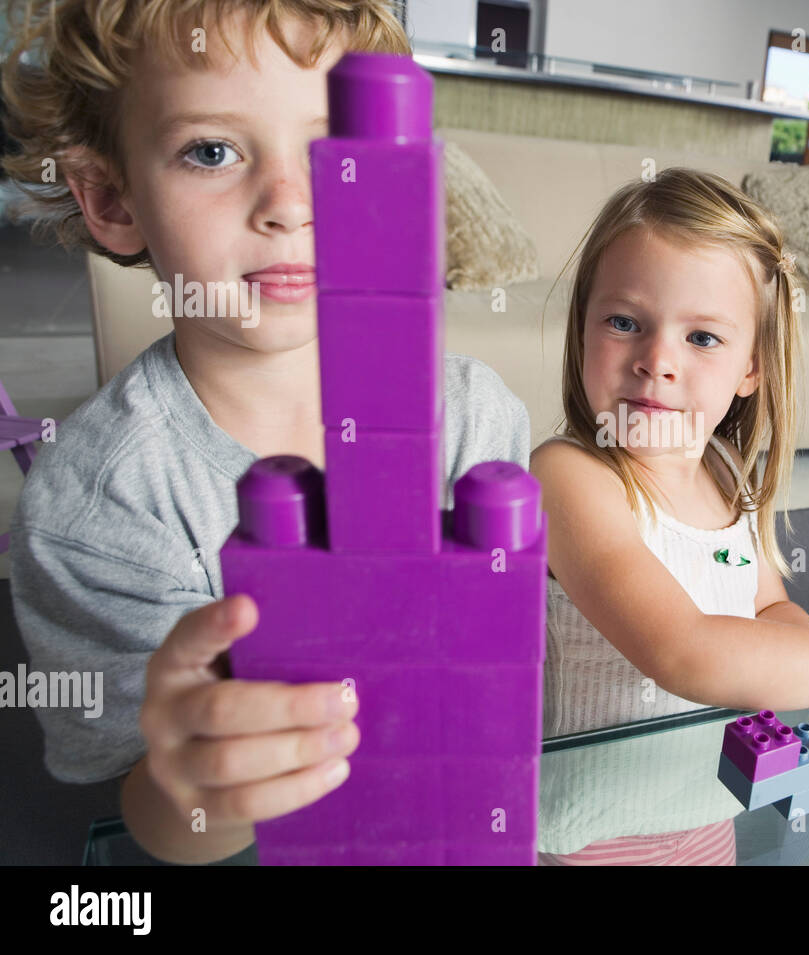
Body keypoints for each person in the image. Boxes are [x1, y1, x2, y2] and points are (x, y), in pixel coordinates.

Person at [2, 0, 529, 864]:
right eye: (211, 150)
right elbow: (158, 814)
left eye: (335, 152)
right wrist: (197, 784)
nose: (290, 203)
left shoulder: (478, 417)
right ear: (108, 196)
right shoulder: (93, 502)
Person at [531, 168, 809, 864]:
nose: (657, 361)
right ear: (582, 328)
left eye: (703, 338)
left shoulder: (721, 470)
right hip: (594, 838)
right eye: (625, 323)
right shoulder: (570, 475)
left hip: (707, 814)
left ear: (751, 369)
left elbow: (769, 610)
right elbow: (685, 651)